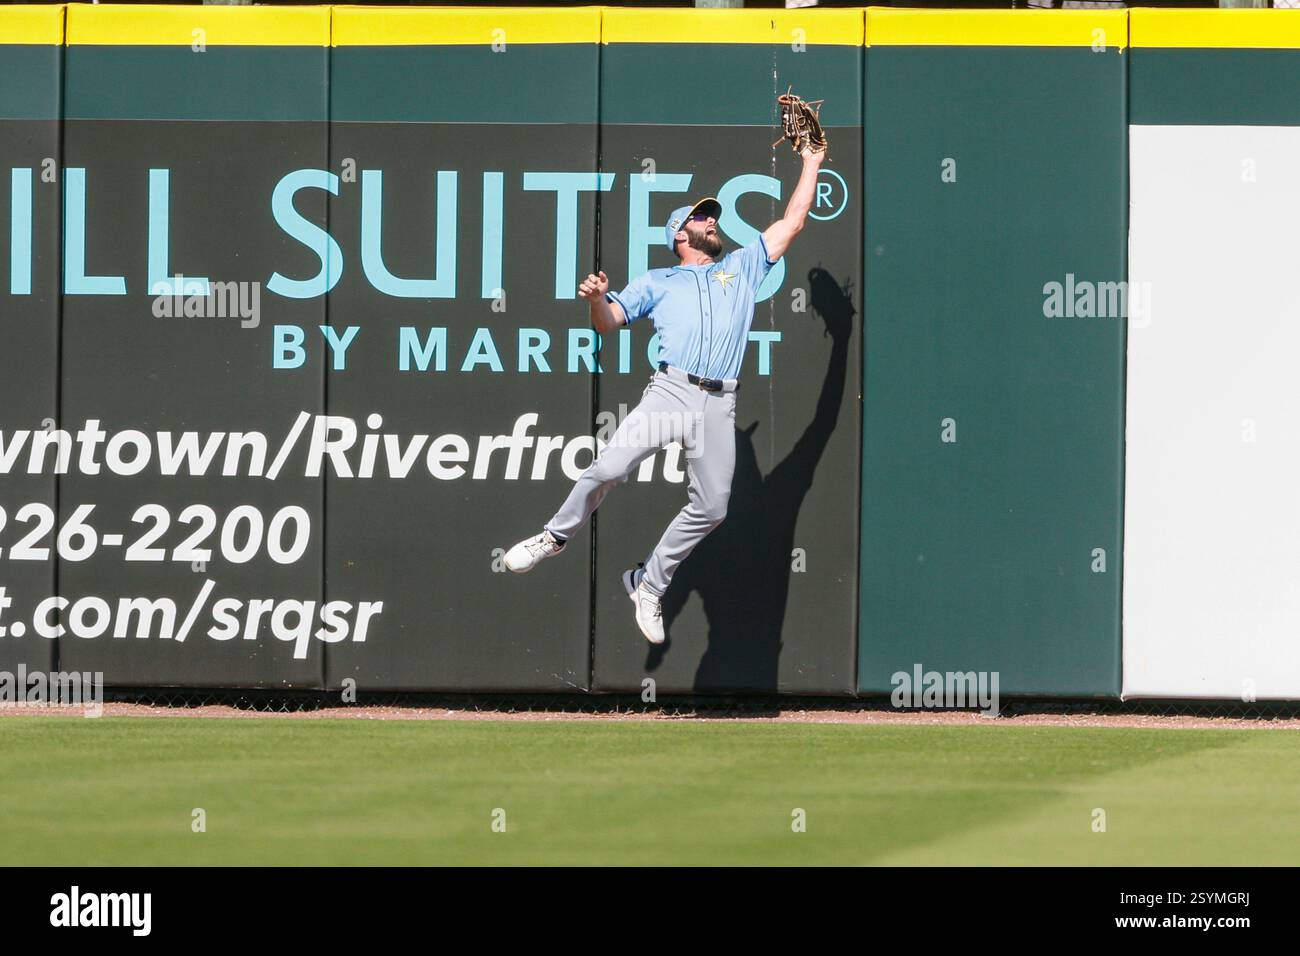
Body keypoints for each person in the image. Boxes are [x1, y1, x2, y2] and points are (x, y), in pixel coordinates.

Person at [504, 145, 826, 644]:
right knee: (608, 467)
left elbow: (793, 222)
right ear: (681, 233)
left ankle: (648, 584)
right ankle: (555, 536)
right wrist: (594, 300)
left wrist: (811, 163)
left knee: (714, 507)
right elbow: (609, 322)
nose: (711, 221)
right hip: (671, 391)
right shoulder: (658, 280)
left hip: (720, 403)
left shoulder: (743, 268)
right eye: (701, 217)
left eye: (712, 216)